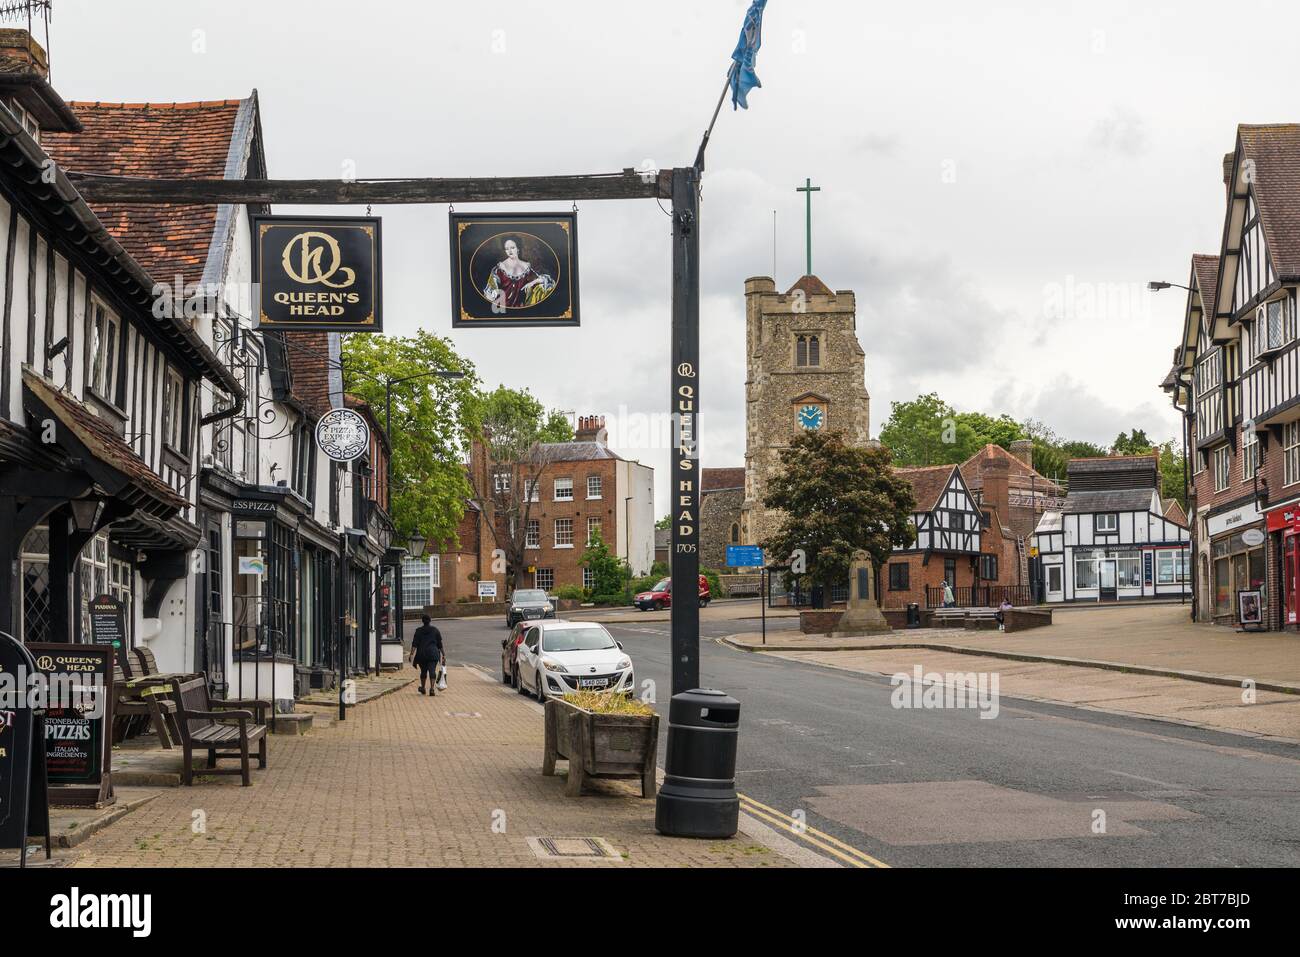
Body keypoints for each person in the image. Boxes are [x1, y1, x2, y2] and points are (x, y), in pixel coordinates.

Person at [410, 615, 445, 696]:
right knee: (432, 670)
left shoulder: (418, 631)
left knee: (423, 671)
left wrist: (411, 654)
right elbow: (440, 644)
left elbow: (414, 644)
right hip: (433, 653)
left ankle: (423, 687)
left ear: (422, 621)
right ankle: (432, 689)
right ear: (430, 620)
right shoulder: (435, 630)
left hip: (422, 654)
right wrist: (443, 654)